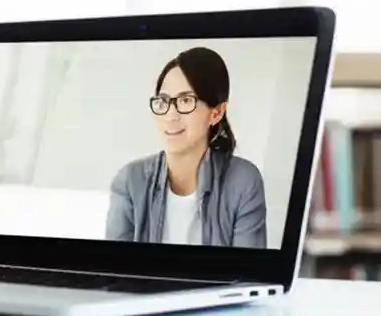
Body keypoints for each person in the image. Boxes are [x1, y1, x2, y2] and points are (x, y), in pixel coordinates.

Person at [104, 47, 267, 247]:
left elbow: (249, 274)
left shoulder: (243, 182)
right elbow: (113, 272)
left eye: (186, 100)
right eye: (163, 101)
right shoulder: (130, 181)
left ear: (216, 113)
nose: (171, 116)